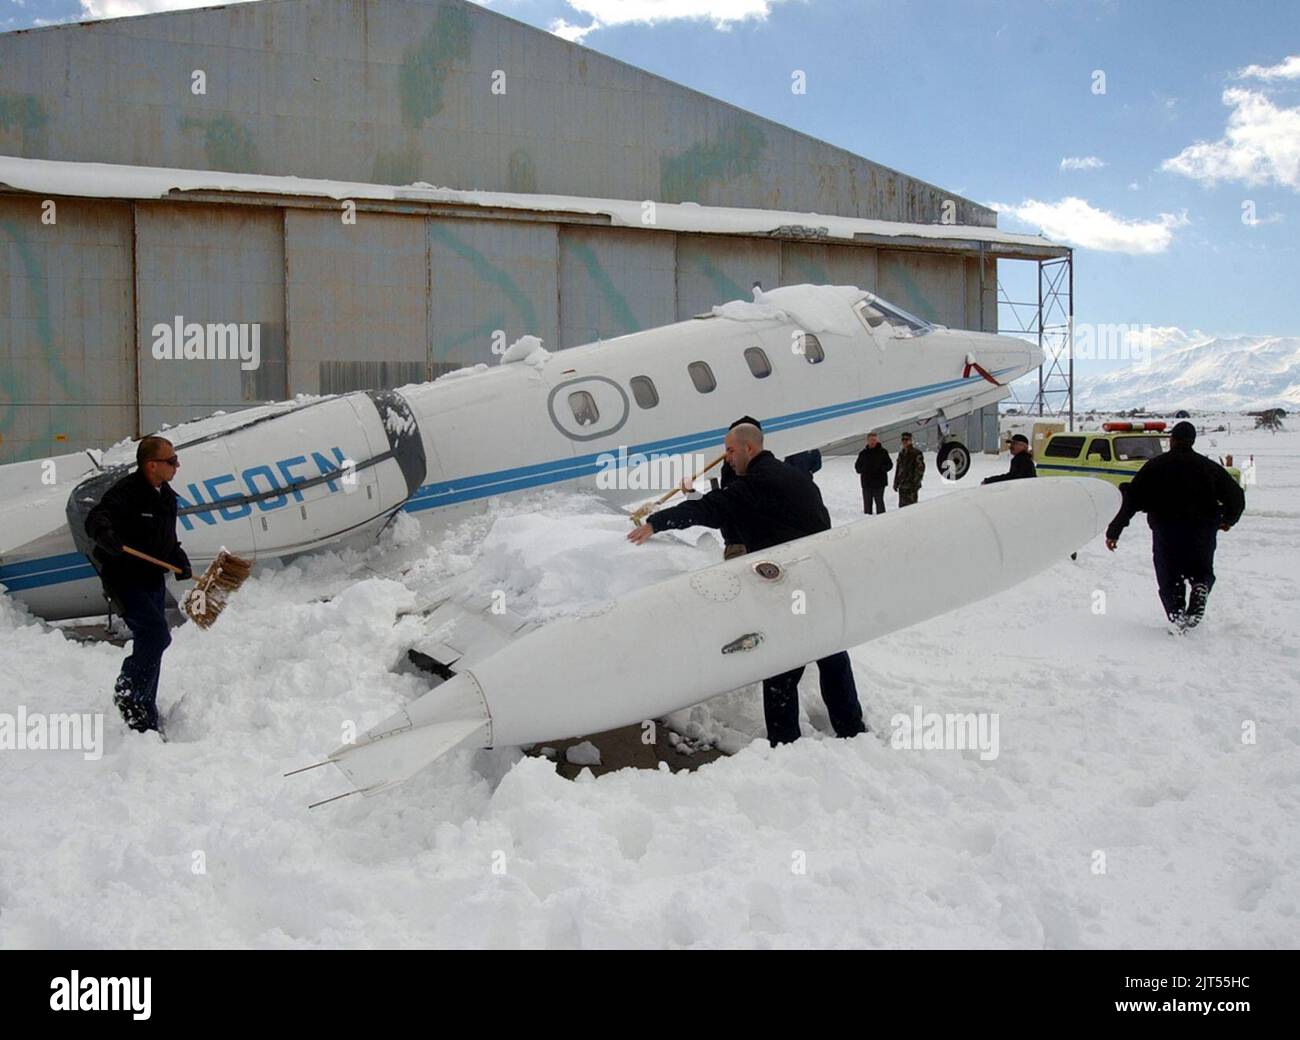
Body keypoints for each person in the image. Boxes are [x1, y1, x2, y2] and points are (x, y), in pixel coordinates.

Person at [628, 423, 867, 746]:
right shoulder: (796, 478)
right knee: (833, 656)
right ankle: (851, 728)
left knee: (781, 666)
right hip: (821, 579)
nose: (725, 457)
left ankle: (786, 744)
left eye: (729, 450)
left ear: (748, 449)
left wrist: (656, 522)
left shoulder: (756, 485)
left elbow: (708, 509)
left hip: (789, 586)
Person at [85, 436, 192, 733]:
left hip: (152, 578)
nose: (177, 465)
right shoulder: (126, 493)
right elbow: (96, 518)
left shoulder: (166, 496)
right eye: (171, 461)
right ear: (151, 465)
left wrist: (180, 560)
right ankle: (129, 692)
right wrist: (106, 535)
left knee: (152, 643)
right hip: (125, 578)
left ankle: (145, 713)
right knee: (156, 635)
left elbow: (167, 539)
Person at [1104, 421, 1245, 630]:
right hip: (1203, 529)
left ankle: (1177, 615)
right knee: (1201, 568)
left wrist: (1114, 531)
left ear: (1172, 440)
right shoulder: (1208, 467)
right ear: (1193, 441)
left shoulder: (1155, 466)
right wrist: (1228, 519)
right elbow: (1236, 496)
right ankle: (1200, 585)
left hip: (1167, 529)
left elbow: (1131, 499)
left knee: (1169, 574)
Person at [854, 432, 892, 514]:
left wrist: (881, 469)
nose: (872, 442)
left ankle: (882, 520)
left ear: (877, 440)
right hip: (867, 483)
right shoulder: (863, 453)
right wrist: (864, 469)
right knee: (867, 505)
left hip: (879, 483)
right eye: (871, 440)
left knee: (880, 504)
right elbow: (857, 467)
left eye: (874, 440)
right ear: (867, 441)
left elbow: (889, 465)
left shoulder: (883, 452)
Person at [893, 431, 925, 507]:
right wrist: (896, 482)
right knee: (902, 508)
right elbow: (898, 469)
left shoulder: (916, 453)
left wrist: (915, 484)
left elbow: (920, 470)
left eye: (907, 439)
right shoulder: (901, 453)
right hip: (902, 486)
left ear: (910, 440)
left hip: (911, 487)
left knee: (911, 508)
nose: (905, 441)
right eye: (903, 440)